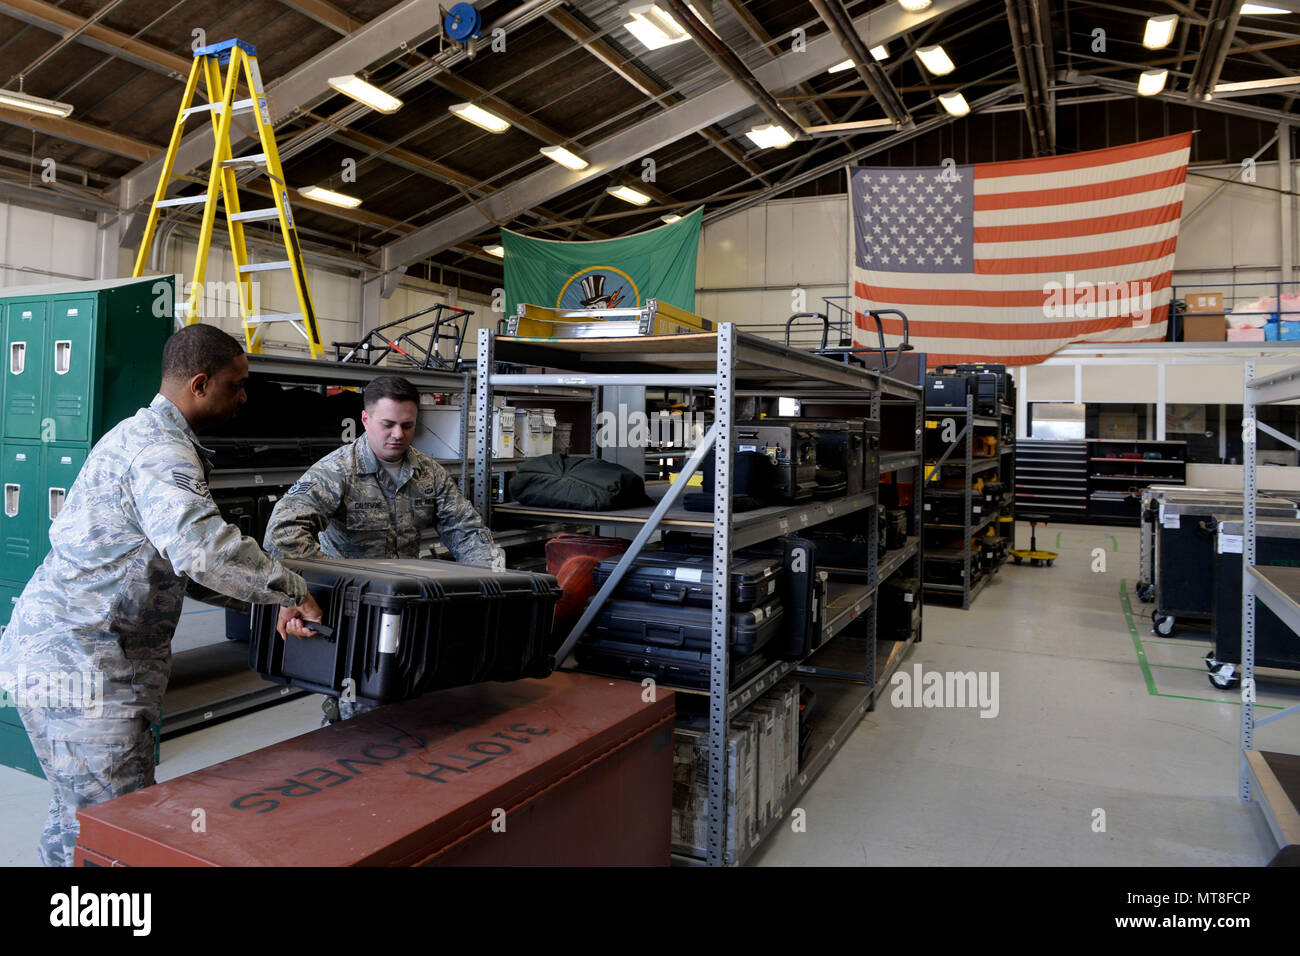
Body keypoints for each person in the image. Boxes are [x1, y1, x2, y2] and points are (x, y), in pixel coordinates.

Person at [0, 324, 323, 867]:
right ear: (200, 384)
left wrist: (269, 602)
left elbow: (183, 569)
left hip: (75, 658)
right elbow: (205, 551)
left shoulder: (146, 435)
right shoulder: (159, 453)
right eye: (235, 386)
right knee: (119, 829)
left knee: (80, 816)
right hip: (83, 668)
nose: (244, 398)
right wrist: (293, 588)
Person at [263, 374, 504, 721]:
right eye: (388, 424)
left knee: (411, 694)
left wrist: (495, 582)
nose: (398, 435)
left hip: (407, 603)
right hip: (354, 610)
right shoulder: (337, 471)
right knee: (358, 708)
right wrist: (309, 589)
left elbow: (465, 530)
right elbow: (283, 532)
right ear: (365, 419)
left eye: (408, 425)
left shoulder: (428, 474)